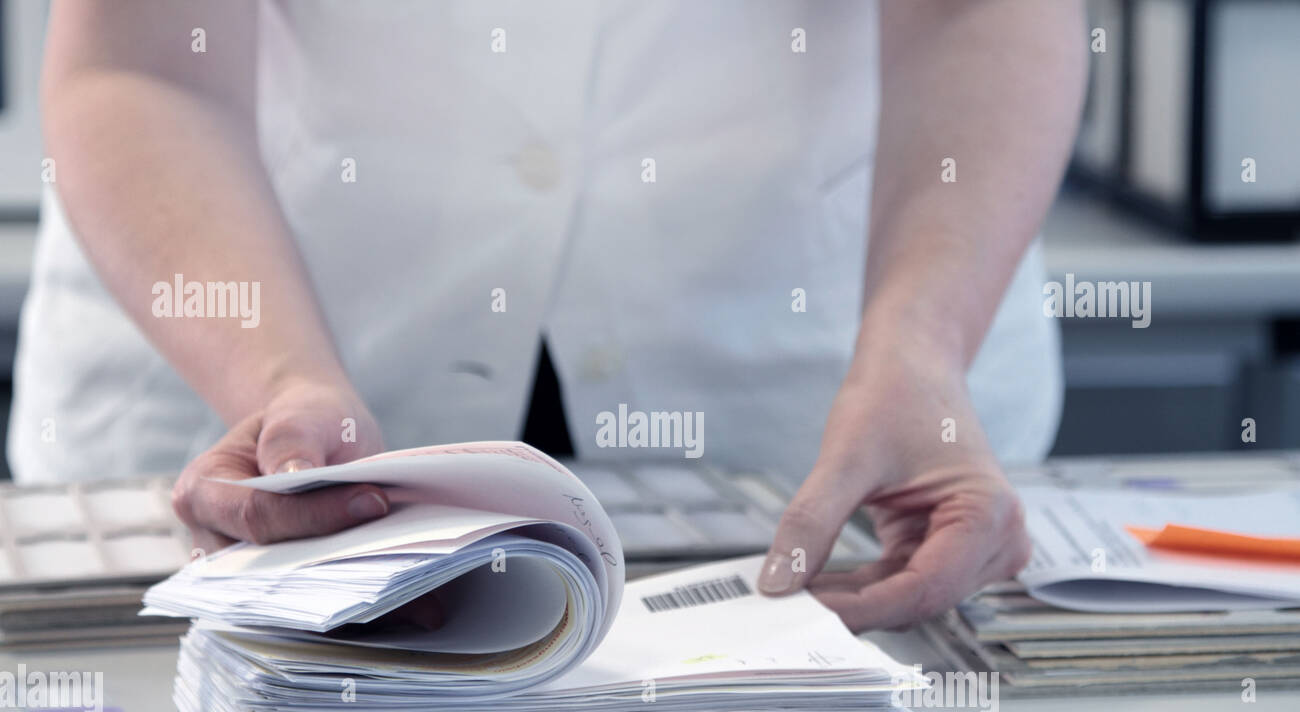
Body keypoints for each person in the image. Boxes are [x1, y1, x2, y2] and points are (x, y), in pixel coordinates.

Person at [11, 0, 1086, 631]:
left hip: (819, 371)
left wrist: (923, 340)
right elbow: (146, 62)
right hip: (259, 320)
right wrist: (276, 381)